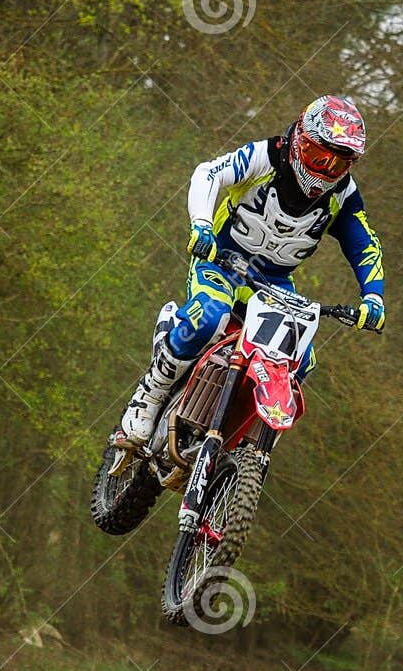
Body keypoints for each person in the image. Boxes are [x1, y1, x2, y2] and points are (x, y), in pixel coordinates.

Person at [114, 95, 385, 446]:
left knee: (300, 360)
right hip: (221, 261)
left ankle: (245, 448)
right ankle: (150, 395)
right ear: (300, 141)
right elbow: (208, 173)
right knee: (209, 318)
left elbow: (365, 244)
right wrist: (201, 226)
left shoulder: (344, 197)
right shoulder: (266, 156)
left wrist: (373, 296)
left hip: (272, 283)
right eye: (318, 156)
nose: (324, 170)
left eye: (337, 163)